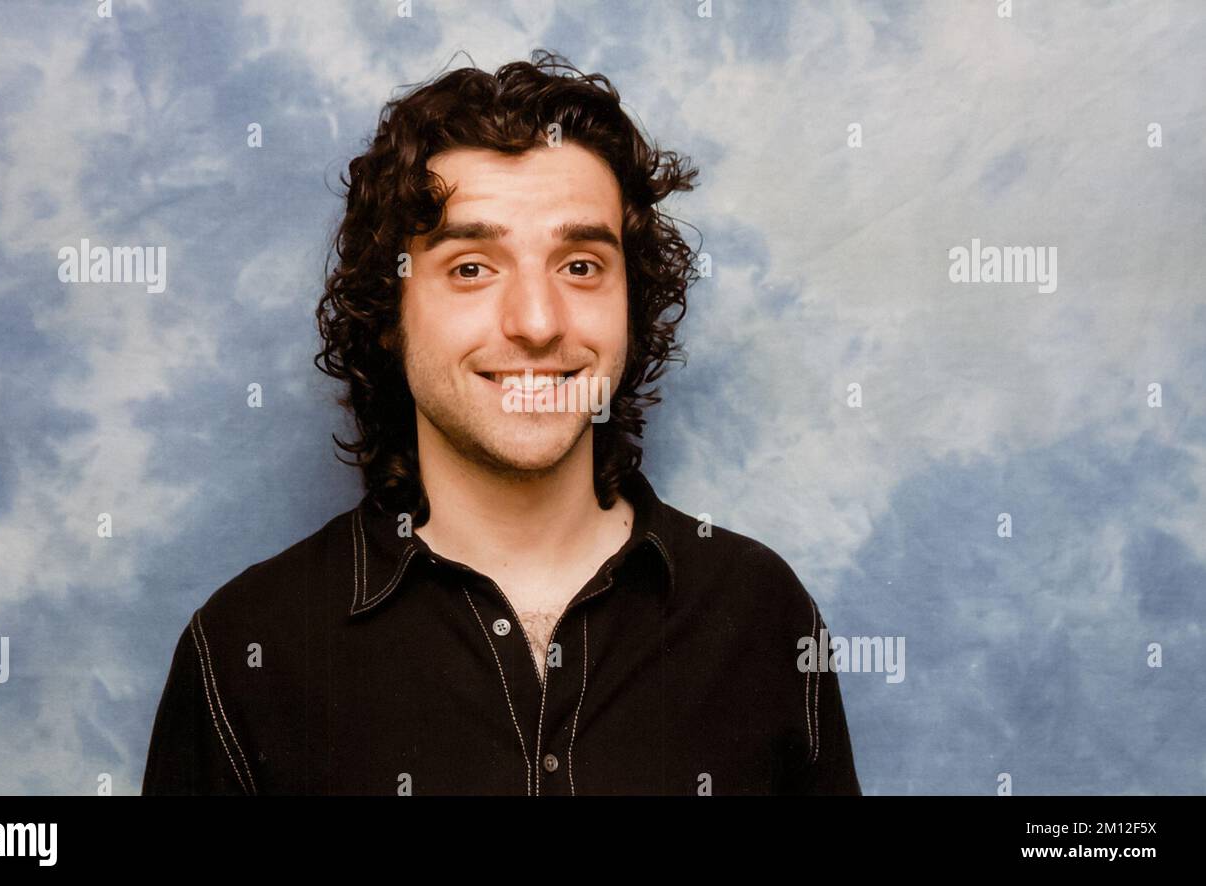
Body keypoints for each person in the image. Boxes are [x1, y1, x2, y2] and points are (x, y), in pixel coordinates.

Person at [142, 50, 861, 796]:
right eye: (472, 268)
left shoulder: (761, 618)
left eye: (580, 265)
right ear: (389, 312)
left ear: (631, 305)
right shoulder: (246, 649)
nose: (537, 322)